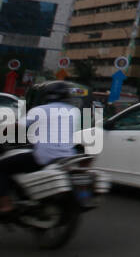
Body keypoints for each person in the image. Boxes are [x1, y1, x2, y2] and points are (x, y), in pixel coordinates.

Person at [0, 81, 82, 214]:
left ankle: (6, 204)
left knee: (2, 166)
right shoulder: (74, 112)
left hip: (44, 157)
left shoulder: (41, 110)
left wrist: (3, 131)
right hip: (67, 157)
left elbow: (19, 126)